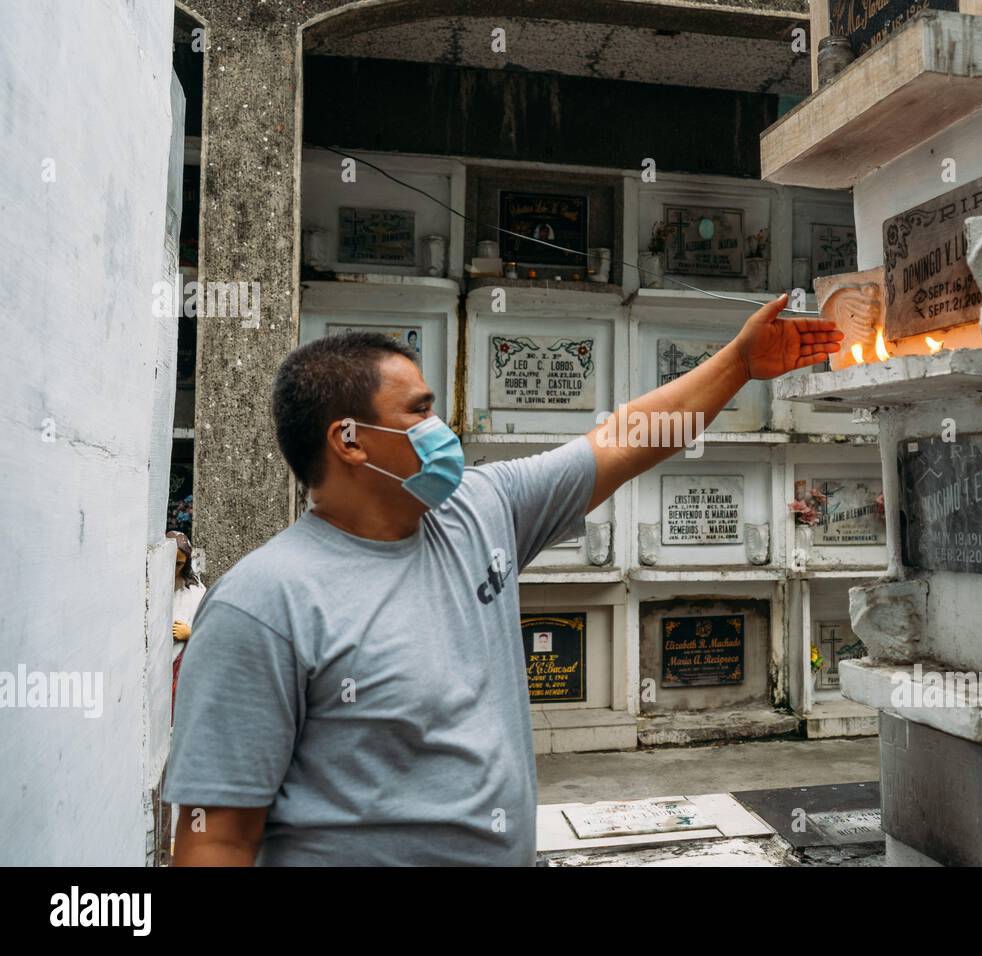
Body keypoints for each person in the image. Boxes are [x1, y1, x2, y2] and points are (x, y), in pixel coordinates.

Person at [164, 293, 840, 865]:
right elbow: (214, 838)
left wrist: (739, 363)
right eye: (419, 412)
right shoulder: (263, 604)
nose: (441, 430)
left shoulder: (478, 512)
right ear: (350, 440)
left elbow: (625, 439)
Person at [166, 530, 205, 724]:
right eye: (170, 563)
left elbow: (210, 631)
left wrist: (190, 633)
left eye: (179, 564)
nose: (173, 569)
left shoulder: (195, 592)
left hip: (181, 665)